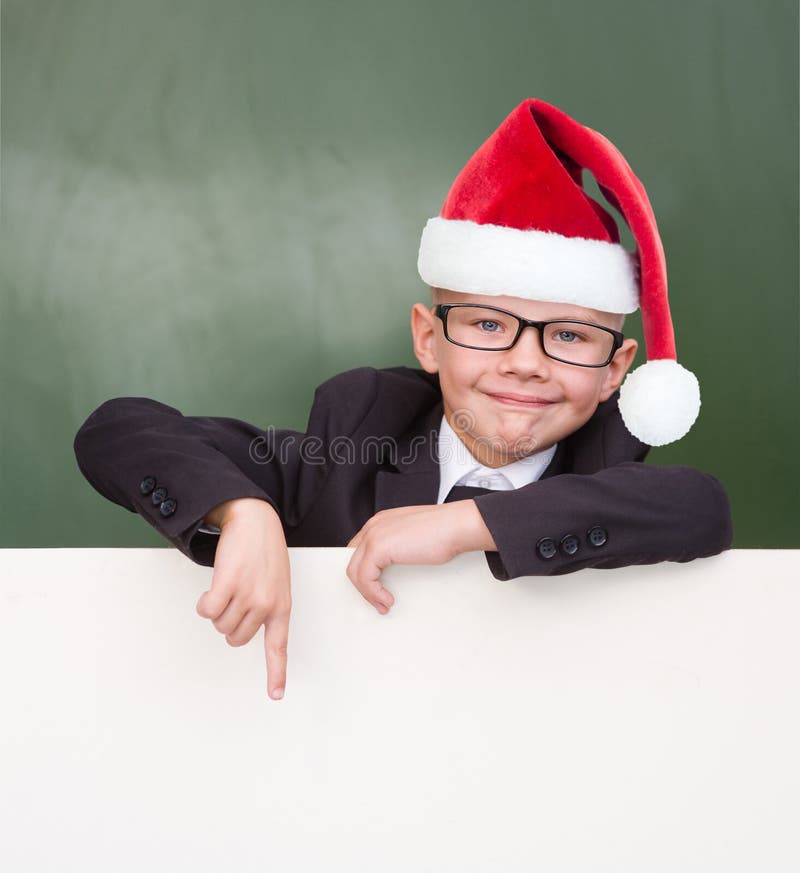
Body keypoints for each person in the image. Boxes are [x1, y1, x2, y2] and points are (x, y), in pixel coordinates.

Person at [73, 98, 734, 701]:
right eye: (487, 324)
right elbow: (118, 430)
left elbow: (701, 506)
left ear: (616, 369)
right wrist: (242, 510)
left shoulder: (608, 463)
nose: (526, 363)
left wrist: (464, 525)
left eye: (568, 335)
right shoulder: (349, 449)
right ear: (428, 339)